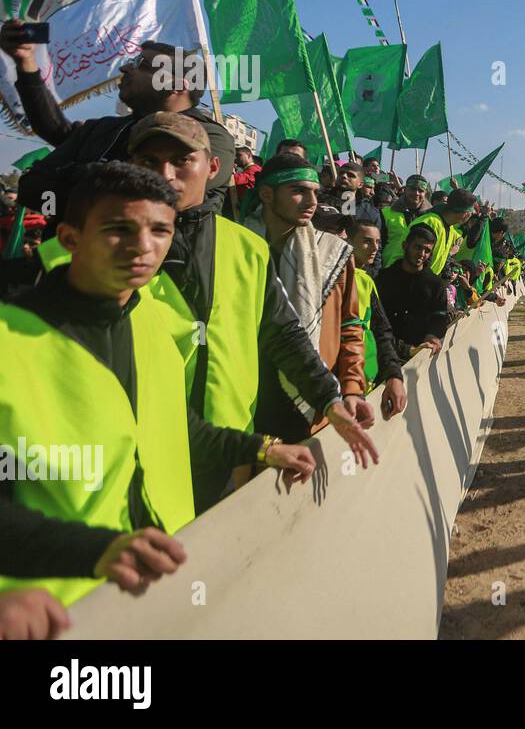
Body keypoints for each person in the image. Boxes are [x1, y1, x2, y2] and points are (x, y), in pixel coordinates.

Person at [0, 163, 313, 611]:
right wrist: (87, 553)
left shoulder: (152, 319)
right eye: (118, 229)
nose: (142, 247)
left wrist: (262, 449)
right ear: (70, 238)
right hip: (56, 605)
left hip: (153, 588)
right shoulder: (9, 338)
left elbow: (170, 427)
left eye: (159, 231)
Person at [123, 115, 372, 508]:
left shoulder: (243, 248)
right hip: (137, 459)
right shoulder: (106, 253)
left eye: (182, 161)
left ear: (213, 168)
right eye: (149, 162)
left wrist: (331, 398)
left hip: (230, 451)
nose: (165, 175)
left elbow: (283, 332)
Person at [9, 32, 235, 214]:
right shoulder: (103, 128)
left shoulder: (211, 137)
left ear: (176, 85)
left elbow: (162, 197)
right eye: (131, 61)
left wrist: (76, 177)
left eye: (142, 65)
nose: (125, 69)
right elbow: (32, 190)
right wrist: (27, 67)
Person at [247, 154, 377, 456]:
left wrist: (352, 387)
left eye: (315, 192)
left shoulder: (334, 254)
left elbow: (350, 326)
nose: (311, 201)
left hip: (314, 398)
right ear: (267, 194)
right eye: (298, 191)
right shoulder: (236, 248)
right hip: (248, 397)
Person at [340, 216, 407, 418]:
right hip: (338, 386)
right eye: (367, 241)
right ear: (348, 242)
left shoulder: (366, 280)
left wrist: (393, 374)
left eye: (378, 242)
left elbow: (380, 331)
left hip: (365, 376)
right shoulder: (331, 278)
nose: (375, 247)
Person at [376, 223, 450, 354]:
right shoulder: (384, 278)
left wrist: (433, 334)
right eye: (417, 247)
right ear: (405, 246)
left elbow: (440, 316)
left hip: (419, 354)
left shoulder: (436, 284)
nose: (421, 254)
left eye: (427, 250)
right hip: (385, 351)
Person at [378, 174, 438, 268]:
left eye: (420, 191)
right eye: (413, 189)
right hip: (387, 270)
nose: (416, 193)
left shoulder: (432, 218)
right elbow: (378, 245)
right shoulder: (386, 213)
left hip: (416, 274)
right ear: (405, 190)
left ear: (425, 193)